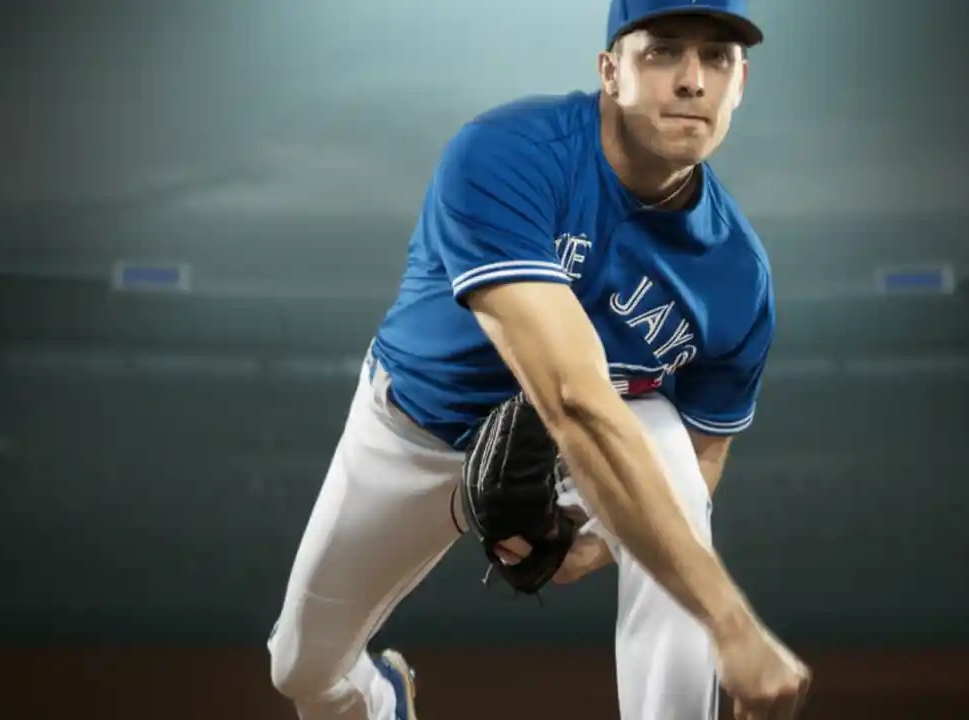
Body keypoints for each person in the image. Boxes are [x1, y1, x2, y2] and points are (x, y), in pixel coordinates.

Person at [265, 1, 811, 718]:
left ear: (741, 84)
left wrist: (611, 546)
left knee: (669, 472)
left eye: (718, 59)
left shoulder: (737, 275)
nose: (691, 80)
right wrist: (733, 624)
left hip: (582, 451)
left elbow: (703, 459)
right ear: (610, 72)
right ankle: (378, 697)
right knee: (300, 670)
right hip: (419, 431)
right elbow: (571, 395)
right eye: (663, 52)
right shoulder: (507, 154)